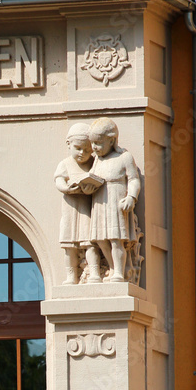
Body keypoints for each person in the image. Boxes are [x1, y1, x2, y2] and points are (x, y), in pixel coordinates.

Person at [88, 117, 140, 283]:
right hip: (99, 200)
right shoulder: (98, 159)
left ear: (111, 140)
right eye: (92, 143)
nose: (94, 147)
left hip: (116, 200)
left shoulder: (124, 157)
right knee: (100, 239)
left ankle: (118, 271)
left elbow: (134, 179)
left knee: (116, 239)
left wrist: (131, 196)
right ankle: (112, 267)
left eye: (98, 143)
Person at [54, 123, 103, 284]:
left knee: (90, 243)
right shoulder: (65, 163)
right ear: (69, 144)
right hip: (70, 210)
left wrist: (90, 188)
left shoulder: (94, 163)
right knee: (69, 246)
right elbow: (59, 180)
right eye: (78, 148)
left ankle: (94, 272)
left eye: (87, 150)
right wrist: (67, 188)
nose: (83, 153)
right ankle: (71, 276)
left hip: (87, 210)